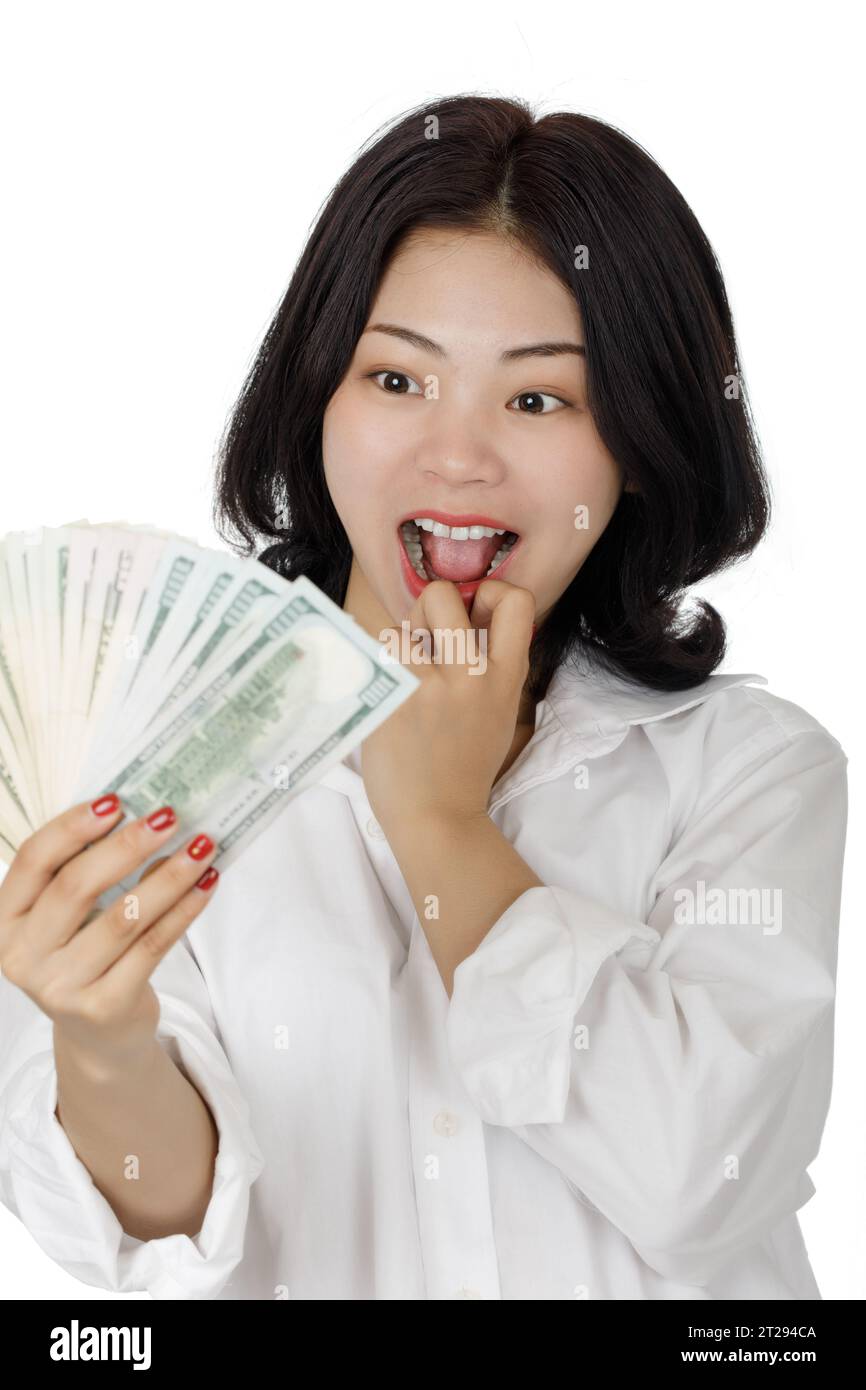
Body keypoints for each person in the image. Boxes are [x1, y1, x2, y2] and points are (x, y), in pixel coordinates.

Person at [0, 94, 848, 1300]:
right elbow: (164, 1235)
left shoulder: (747, 769)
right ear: (318, 401)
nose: (457, 457)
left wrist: (442, 829)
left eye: (538, 397)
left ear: (638, 444)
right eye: (396, 378)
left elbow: (700, 1181)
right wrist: (101, 1034)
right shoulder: (124, 741)